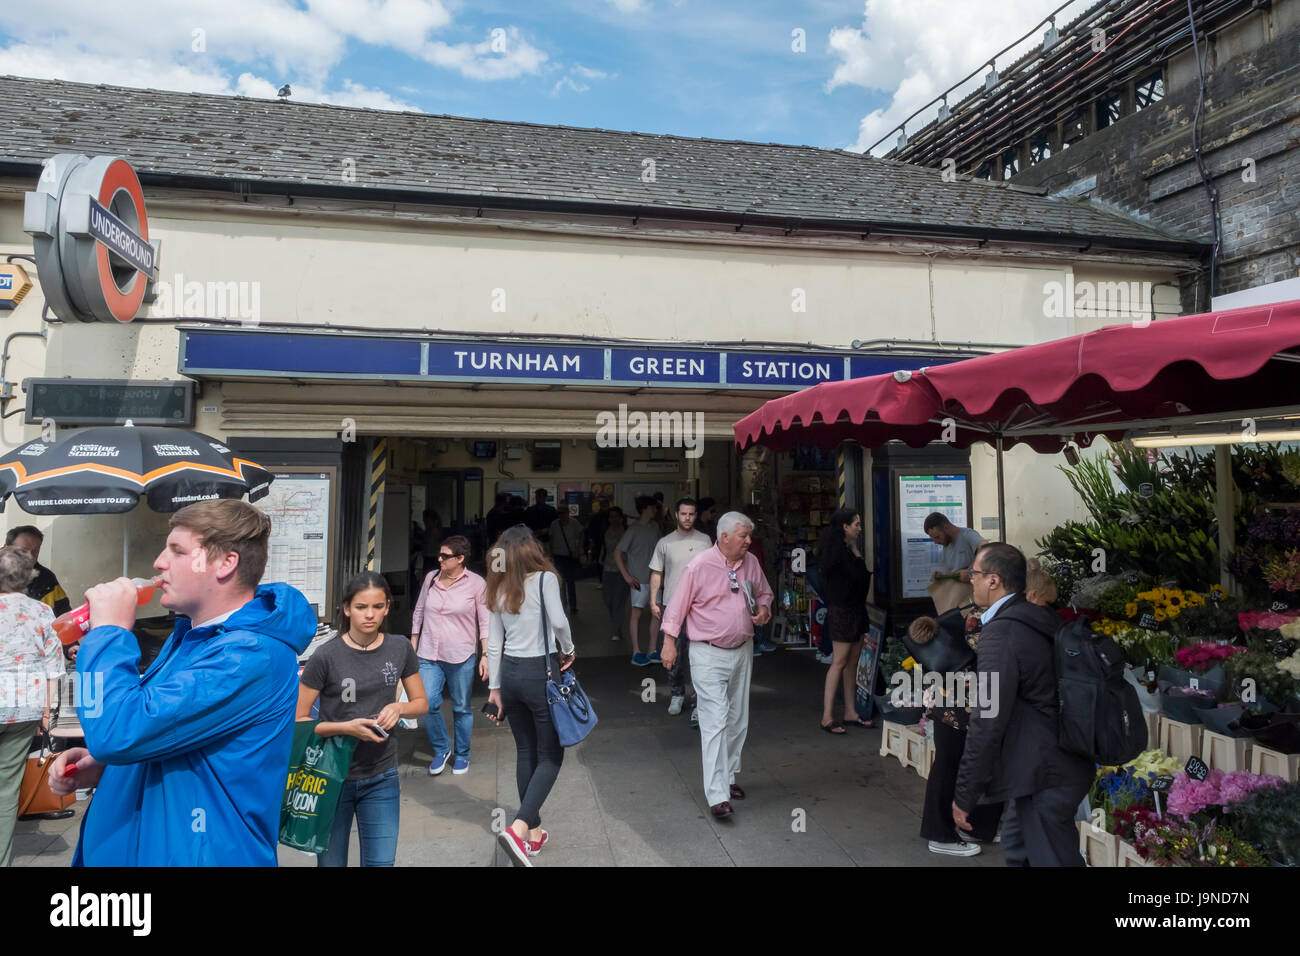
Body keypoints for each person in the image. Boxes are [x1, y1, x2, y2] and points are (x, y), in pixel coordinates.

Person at [49, 500, 317, 866]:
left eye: (177, 551)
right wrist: (106, 767)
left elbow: (117, 732)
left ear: (226, 563)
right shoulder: (193, 636)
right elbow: (164, 733)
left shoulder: (248, 656)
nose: (159, 562)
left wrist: (109, 634)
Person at [953, 543, 1094, 867]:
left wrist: (965, 794)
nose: (969, 580)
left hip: (1047, 772)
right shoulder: (1036, 616)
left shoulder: (1002, 633)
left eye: (974, 573)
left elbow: (987, 720)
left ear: (993, 581)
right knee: (1018, 848)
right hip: (1050, 766)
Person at [298, 571, 425, 867]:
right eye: (361, 607)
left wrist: (399, 709)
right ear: (346, 608)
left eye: (377, 607)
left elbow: (420, 704)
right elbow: (299, 721)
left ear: (387, 607)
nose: (370, 615)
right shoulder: (325, 656)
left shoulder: (400, 647)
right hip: (331, 777)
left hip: (382, 776)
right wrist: (346, 728)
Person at [661, 512, 773, 820]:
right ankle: (717, 794)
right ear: (723, 537)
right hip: (707, 652)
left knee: (738, 719)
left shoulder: (750, 562)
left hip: (743, 650)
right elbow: (677, 606)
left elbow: (764, 593)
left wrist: (763, 610)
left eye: (749, 535)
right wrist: (669, 643)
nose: (749, 541)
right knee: (714, 721)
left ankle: (730, 776)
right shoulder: (699, 566)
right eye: (743, 536)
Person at [485, 525, 575, 867]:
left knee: (525, 751)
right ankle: (519, 829)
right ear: (531, 549)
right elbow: (560, 621)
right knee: (551, 755)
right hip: (541, 672)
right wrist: (568, 649)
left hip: (509, 674)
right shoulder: (545, 579)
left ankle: (534, 834)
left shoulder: (496, 583)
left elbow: (494, 642)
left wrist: (495, 689)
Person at [911, 610, 1002, 857]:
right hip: (955, 702)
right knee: (949, 763)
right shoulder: (979, 618)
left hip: (969, 701)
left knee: (980, 762)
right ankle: (938, 832)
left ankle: (975, 826)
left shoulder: (986, 615)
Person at [0, 546, 61, 866]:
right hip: (23, 708)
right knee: (7, 789)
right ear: (30, 576)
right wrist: (48, 714)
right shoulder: (40, 612)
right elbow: (54, 668)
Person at [411, 535, 488, 777]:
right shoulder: (430, 578)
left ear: (460, 558)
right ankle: (442, 748)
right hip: (428, 653)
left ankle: (462, 753)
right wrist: (413, 643)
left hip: (462, 655)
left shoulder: (476, 584)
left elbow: (484, 621)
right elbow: (420, 610)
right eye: (440, 554)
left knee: (462, 707)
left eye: (445, 556)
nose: (439, 559)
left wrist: (485, 654)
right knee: (427, 703)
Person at [649, 498, 711, 724]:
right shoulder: (665, 543)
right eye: (683, 514)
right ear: (676, 515)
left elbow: (713, 572)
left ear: (695, 515)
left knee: (699, 656)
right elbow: (656, 573)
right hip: (672, 606)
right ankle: (676, 694)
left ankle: (698, 702)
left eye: (691, 514)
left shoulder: (705, 541)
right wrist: (653, 601)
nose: (687, 518)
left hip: (700, 608)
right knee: (672, 654)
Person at [818, 508, 874, 734]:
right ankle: (827, 716)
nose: (860, 528)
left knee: (851, 662)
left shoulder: (845, 550)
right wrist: (857, 555)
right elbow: (858, 577)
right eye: (857, 524)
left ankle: (850, 712)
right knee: (840, 662)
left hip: (854, 609)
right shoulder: (838, 553)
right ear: (845, 527)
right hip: (844, 610)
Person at [616, 496, 664, 667]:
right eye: (652, 507)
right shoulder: (633, 530)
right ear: (644, 509)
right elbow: (618, 553)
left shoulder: (655, 527)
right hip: (638, 579)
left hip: (655, 578)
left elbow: (660, 553)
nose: (655, 510)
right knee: (636, 614)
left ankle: (652, 650)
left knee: (656, 613)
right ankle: (636, 651)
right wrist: (627, 576)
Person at [6, 525, 71, 618]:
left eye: (35, 551)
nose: (30, 556)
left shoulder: (46, 579)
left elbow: (64, 616)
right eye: (23, 550)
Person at [924, 513, 984, 584]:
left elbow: (987, 550)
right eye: (933, 539)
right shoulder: (946, 546)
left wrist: (971, 571)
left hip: (974, 592)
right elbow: (954, 573)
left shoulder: (968, 534)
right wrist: (941, 577)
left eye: (937, 537)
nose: (936, 542)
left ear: (946, 527)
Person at [600, 507, 630, 642]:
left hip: (622, 570)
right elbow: (604, 546)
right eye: (611, 516)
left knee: (618, 601)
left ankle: (616, 630)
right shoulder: (606, 530)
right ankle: (616, 624)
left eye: (616, 516)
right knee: (608, 600)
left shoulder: (627, 531)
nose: (614, 519)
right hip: (607, 568)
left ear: (621, 517)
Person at [548, 508, 584, 617]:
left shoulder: (574, 523)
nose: (562, 515)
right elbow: (551, 538)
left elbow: (581, 534)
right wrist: (551, 553)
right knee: (561, 581)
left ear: (568, 513)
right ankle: (563, 605)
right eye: (560, 513)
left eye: (563, 513)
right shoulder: (554, 524)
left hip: (570, 555)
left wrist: (579, 548)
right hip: (558, 555)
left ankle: (573, 606)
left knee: (570, 581)